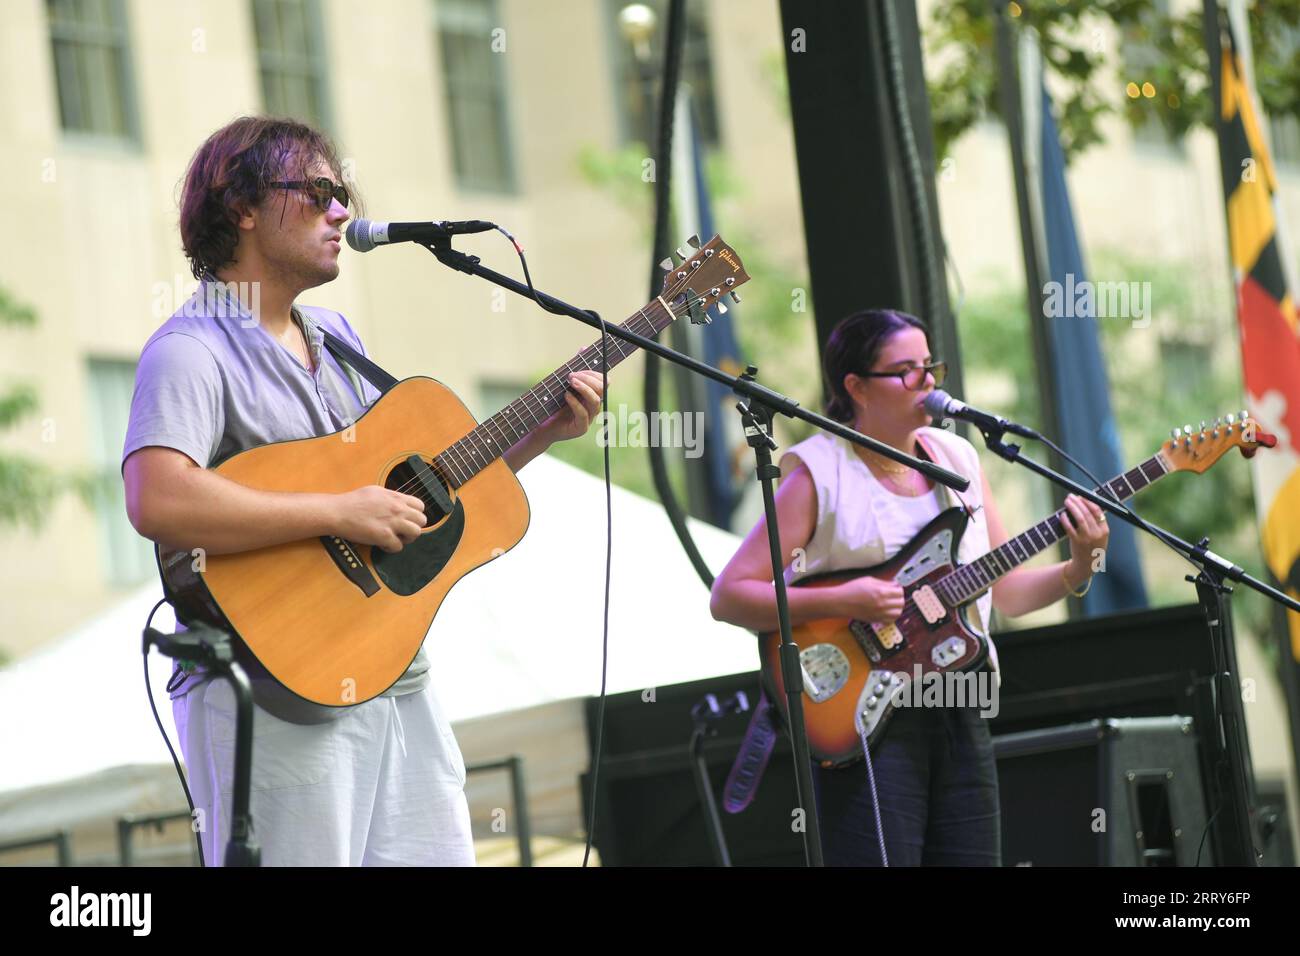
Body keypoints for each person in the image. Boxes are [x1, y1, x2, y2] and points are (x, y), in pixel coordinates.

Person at [122, 116, 604, 866]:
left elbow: (418, 494)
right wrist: (340, 512)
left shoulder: (338, 335)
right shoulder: (190, 351)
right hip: (272, 692)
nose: (342, 211)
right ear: (242, 207)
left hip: (395, 677)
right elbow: (158, 501)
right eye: (318, 193)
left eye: (342, 194)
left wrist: (541, 432)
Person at [709, 308, 1109, 866]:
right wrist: (844, 599)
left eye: (930, 367)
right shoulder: (820, 473)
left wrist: (1078, 567)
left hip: (958, 701)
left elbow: (1008, 592)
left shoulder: (958, 458)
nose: (927, 382)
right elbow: (730, 595)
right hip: (862, 714)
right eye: (906, 371)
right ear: (856, 387)